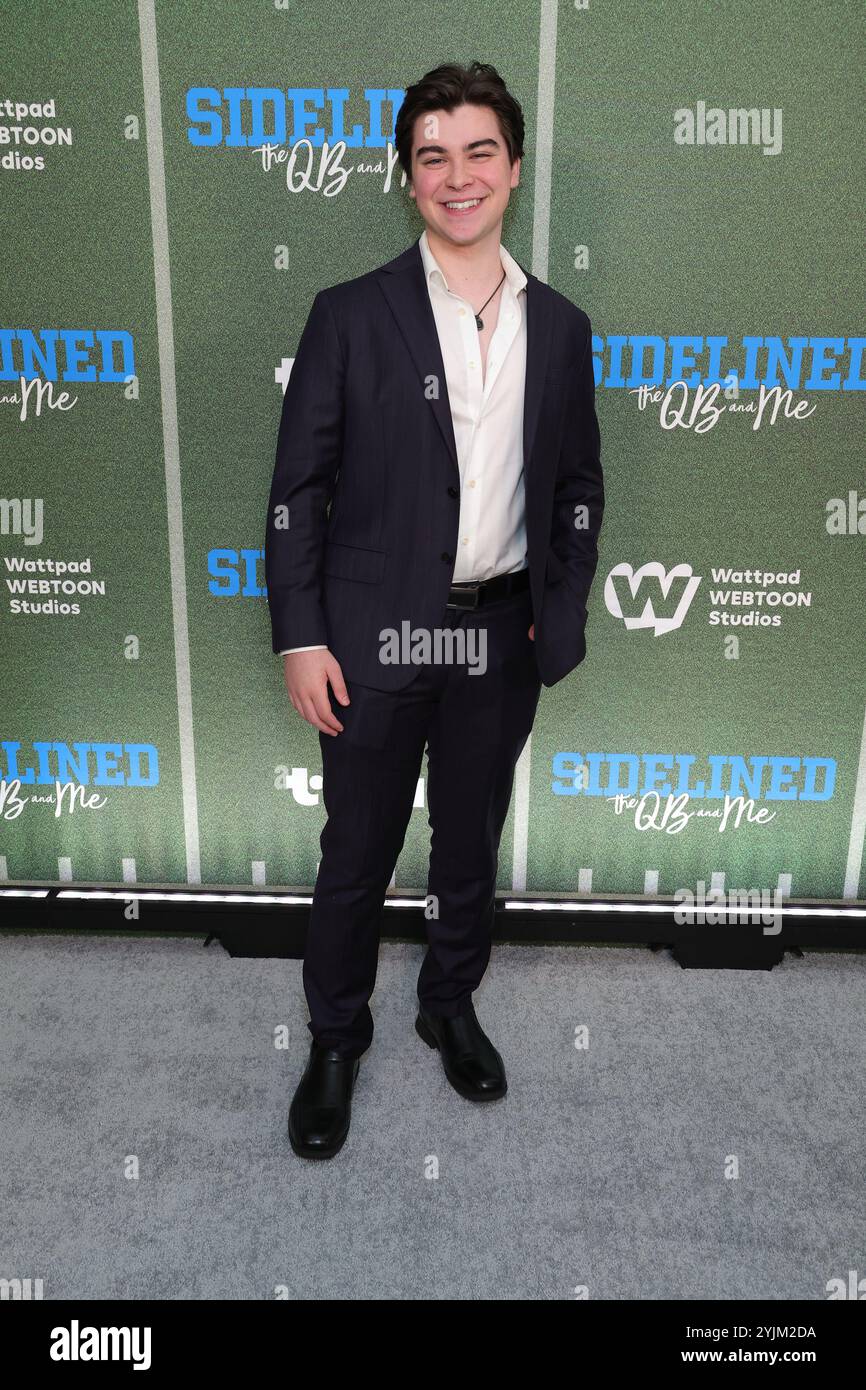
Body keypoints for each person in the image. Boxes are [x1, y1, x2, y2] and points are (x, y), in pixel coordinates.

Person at [265, 60, 604, 1158]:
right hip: (370, 640)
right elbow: (296, 495)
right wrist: (303, 633)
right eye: (431, 157)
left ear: (511, 168)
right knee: (354, 848)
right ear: (407, 178)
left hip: (497, 637)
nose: (456, 176)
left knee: (469, 842)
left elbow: (577, 487)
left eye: (478, 153)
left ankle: (447, 1003)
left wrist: (556, 608)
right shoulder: (349, 316)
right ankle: (332, 1040)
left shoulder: (560, 326)